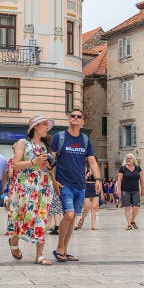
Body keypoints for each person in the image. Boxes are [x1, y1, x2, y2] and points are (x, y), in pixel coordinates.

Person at [51, 107, 101, 263]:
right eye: (73, 116)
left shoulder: (85, 140)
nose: (76, 118)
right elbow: (50, 161)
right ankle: (59, 247)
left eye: (79, 116)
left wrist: (98, 179)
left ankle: (65, 250)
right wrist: (53, 180)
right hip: (64, 184)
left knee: (72, 220)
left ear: (82, 121)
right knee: (69, 214)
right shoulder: (58, 137)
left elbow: (91, 160)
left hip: (80, 185)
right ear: (69, 119)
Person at [6, 114, 55, 265]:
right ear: (36, 127)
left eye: (47, 125)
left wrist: (49, 166)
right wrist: (34, 161)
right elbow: (15, 164)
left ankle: (39, 255)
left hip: (42, 186)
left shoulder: (44, 146)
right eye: (44, 125)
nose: (47, 128)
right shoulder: (23, 143)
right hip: (26, 186)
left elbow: (47, 167)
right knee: (21, 218)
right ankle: (14, 242)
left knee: (42, 219)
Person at [117, 153, 144, 230]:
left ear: (133, 160)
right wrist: (119, 190)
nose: (128, 159)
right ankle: (129, 224)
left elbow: (141, 179)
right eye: (127, 158)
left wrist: (143, 189)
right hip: (125, 190)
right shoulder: (122, 168)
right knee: (127, 207)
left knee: (136, 207)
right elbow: (119, 180)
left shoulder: (138, 168)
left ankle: (132, 221)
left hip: (135, 190)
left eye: (130, 158)